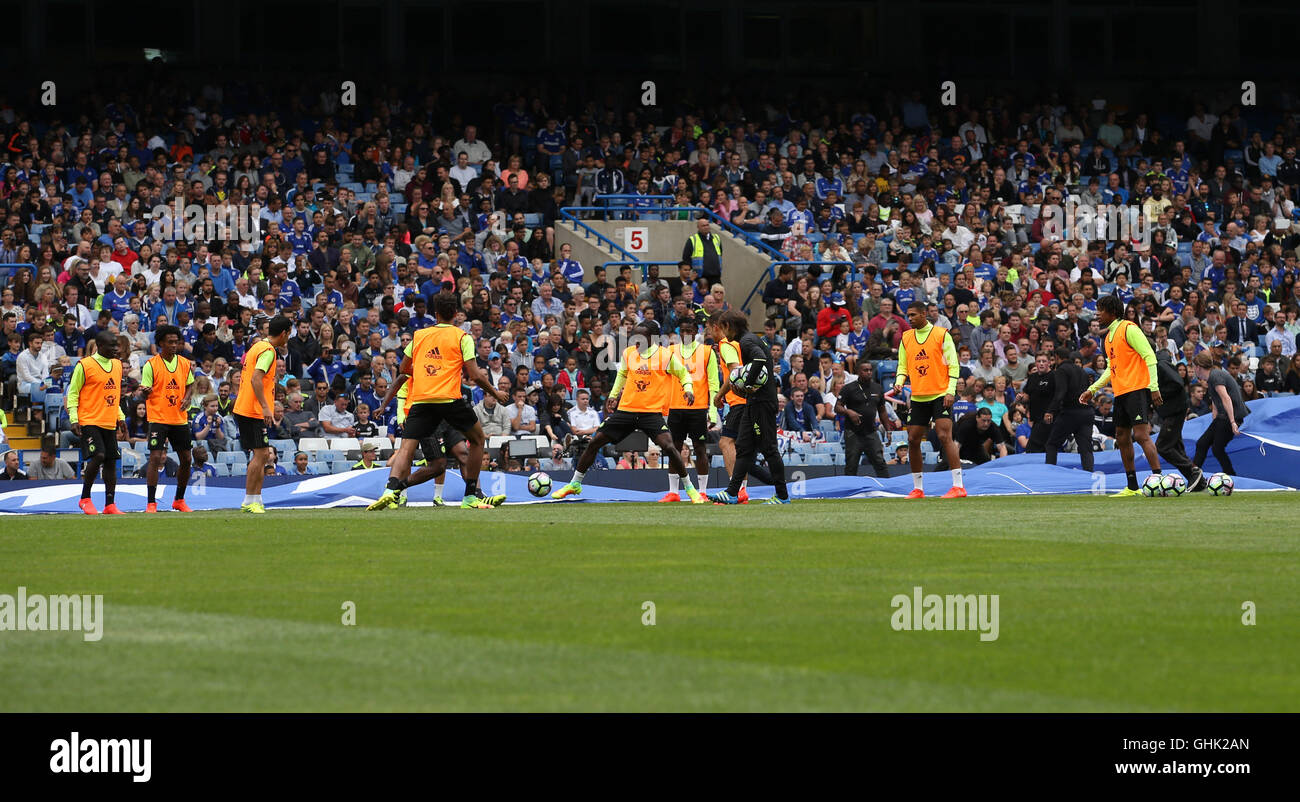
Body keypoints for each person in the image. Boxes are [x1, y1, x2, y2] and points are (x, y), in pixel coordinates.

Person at [368, 291, 509, 510]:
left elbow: (404, 369)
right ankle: (470, 495)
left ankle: (390, 489)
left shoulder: (419, 335)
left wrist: (425, 371)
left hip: (423, 399)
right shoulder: (463, 337)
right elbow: (474, 374)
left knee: (406, 447)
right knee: (478, 439)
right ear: (455, 313)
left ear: (435, 314)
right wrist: (496, 392)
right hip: (449, 399)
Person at [553, 321, 707, 503]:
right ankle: (575, 484)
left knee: (670, 447)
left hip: (650, 413)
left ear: (653, 339)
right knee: (595, 442)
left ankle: (689, 489)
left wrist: (688, 389)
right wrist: (613, 395)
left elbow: (683, 374)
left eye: (641, 337)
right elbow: (622, 375)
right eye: (635, 336)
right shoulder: (629, 353)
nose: (636, 341)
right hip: (626, 411)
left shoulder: (665, 356)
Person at [1080, 295, 1165, 497]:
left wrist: (1154, 387)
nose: (1097, 314)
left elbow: (1149, 356)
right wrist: (1092, 389)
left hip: (1137, 389)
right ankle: (1132, 487)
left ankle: (1159, 481)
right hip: (1122, 392)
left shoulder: (1129, 328)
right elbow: (1111, 369)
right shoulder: (1108, 338)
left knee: (1142, 435)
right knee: (1122, 437)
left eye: (1101, 310)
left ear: (1112, 312)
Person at [708, 310, 790, 504]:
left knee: (769, 449)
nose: (721, 331)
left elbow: (760, 359)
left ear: (728, 326)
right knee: (743, 448)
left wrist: (747, 384)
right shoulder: (751, 338)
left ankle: (782, 495)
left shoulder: (746, 342)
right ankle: (732, 493)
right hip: (754, 402)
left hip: (762, 402)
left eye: (722, 326)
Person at [893, 302, 964, 498]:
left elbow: (954, 365)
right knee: (913, 439)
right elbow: (902, 367)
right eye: (908, 315)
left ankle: (958, 486)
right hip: (918, 396)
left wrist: (951, 391)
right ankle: (918, 488)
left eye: (913, 315)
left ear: (924, 314)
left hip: (941, 394)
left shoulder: (941, 334)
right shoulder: (906, 338)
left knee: (944, 436)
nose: (910, 318)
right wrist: (899, 382)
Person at [233, 315, 293, 513]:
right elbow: (256, 380)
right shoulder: (268, 351)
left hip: (246, 406)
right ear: (284, 333)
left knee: (262, 454)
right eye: (289, 333)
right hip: (253, 409)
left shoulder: (257, 346)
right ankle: (249, 501)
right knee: (260, 455)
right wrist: (266, 407)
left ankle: (255, 499)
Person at [660, 311, 719, 502]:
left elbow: (713, 383)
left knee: (700, 448)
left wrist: (712, 409)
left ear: (696, 331)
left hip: (698, 408)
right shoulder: (670, 351)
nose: (686, 333)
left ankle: (702, 491)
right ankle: (673, 492)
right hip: (676, 407)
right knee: (674, 448)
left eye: (690, 330)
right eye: (683, 330)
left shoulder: (707, 352)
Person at [67, 330, 128, 514]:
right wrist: (74, 418)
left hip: (109, 420)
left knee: (110, 461)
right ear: (100, 346)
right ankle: (85, 498)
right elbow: (73, 393)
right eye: (112, 346)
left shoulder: (117, 365)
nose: (116, 349)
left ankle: (110, 504)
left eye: (117, 345)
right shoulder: (84, 365)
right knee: (99, 455)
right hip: (89, 420)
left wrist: (121, 417)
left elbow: (114, 395)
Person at [140, 325, 196, 512]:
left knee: (187, 459)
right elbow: (145, 392)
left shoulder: (184, 363)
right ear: (161, 343)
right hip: (158, 417)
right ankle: (151, 502)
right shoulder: (151, 365)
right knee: (155, 458)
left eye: (176, 342)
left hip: (179, 418)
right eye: (170, 342)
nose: (174, 345)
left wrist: (188, 397)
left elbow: (190, 384)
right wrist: (145, 392)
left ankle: (179, 499)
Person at [1153, 352, 1207, 492]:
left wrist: (1157, 392)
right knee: (1176, 447)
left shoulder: (1160, 364)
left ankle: (1193, 471)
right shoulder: (1160, 364)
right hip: (1174, 410)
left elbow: (1178, 382)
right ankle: (1198, 481)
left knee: (1163, 446)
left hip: (1174, 411)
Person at [1191, 351, 1247, 476]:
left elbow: (1225, 398)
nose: (1194, 369)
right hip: (1223, 417)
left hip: (1231, 416)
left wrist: (1233, 422)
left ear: (1198, 367)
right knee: (1202, 444)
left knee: (1217, 448)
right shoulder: (1212, 378)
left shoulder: (1216, 376)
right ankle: (1193, 476)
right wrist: (1215, 418)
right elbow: (1216, 401)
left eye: (1194, 367)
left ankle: (1231, 475)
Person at [1044, 347, 1096, 473]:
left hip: (1070, 412)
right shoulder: (1081, 370)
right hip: (1086, 412)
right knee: (1085, 448)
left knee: (1052, 444)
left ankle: (1048, 474)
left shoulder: (1061, 370)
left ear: (1057, 357)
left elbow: (1060, 393)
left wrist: (1050, 410)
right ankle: (1089, 475)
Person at [836, 360, 890, 476]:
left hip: (871, 432)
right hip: (853, 432)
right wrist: (849, 411)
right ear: (858, 372)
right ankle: (850, 491)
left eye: (870, 370)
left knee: (880, 463)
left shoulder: (878, 388)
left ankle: (887, 489)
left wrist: (888, 430)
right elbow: (837, 407)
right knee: (851, 465)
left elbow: (882, 411)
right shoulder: (848, 388)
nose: (869, 372)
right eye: (865, 370)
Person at [1021, 353, 1055, 453]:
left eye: (1044, 361)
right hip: (1035, 418)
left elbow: (1059, 397)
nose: (1041, 364)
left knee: (1032, 449)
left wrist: (1052, 412)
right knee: (1043, 450)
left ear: (1049, 363)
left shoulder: (1054, 376)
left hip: (1049, 419)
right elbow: (1026, 397)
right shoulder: (1032, 377)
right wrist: (1020, 399)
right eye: (1038, 361)